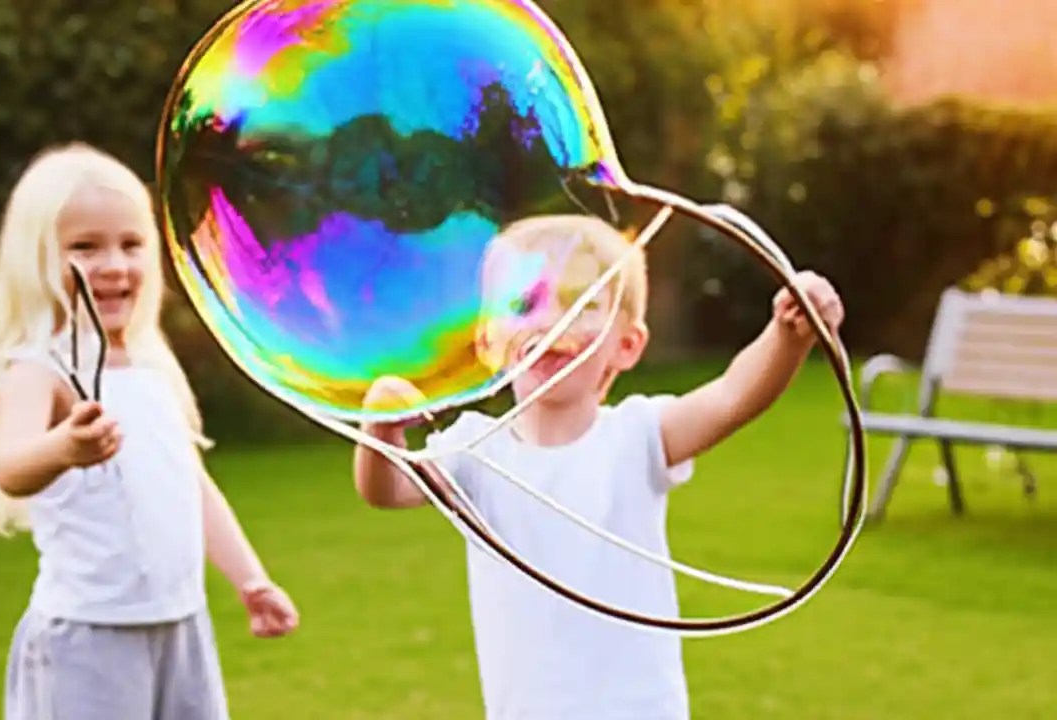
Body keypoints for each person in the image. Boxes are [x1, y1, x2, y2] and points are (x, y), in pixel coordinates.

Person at [352, 214, 843, 719]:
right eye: (524, 304)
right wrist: (382, 431)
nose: (552, 323)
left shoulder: (637, 435)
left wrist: (789, 336)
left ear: (626, 344)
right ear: (488, 343)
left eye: (583, 305)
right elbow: (387, 489)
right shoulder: (475, 451)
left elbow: (732, 397)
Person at [0, 142, 299, 720]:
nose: (114, 265)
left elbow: (191, 485)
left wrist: (250, 579)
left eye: (130, 244)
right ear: (35, 260)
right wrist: (65, 447)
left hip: (180, 625)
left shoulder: (149, 366)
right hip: (89, 637)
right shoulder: (39, 367)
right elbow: (10, 466)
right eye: (84, 247)